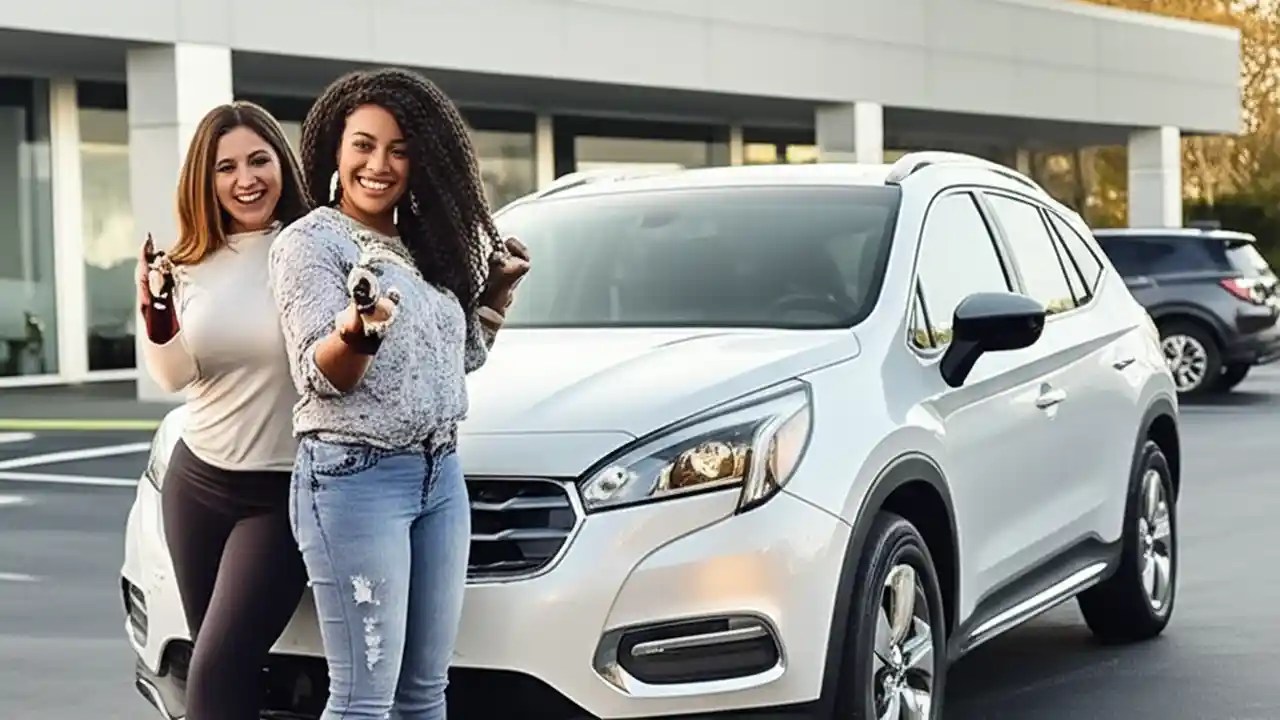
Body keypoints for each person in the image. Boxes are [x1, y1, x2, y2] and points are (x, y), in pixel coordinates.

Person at [267, 68, 530, 720]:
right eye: (363, 144)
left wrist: (495, 293)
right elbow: (321, 375)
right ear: (334, 147)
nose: (378, 164)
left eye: (399, 149)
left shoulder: (422, 244)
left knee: (423, 695)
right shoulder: (311, 243)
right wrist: (358, 333)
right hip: (356, 482)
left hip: (440, 479)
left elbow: (460, 359)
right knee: (363, 701)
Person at [135, 101, 314, 719]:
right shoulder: (188, 261)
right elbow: (174, 374)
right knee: (225, 676)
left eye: (259, 160)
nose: (246, 179)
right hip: (197, 486)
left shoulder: (313, 249)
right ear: (203, 181)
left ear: (282, 165)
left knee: (218, 667)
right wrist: (155, 308)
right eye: (226, 167)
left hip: (280, 494)